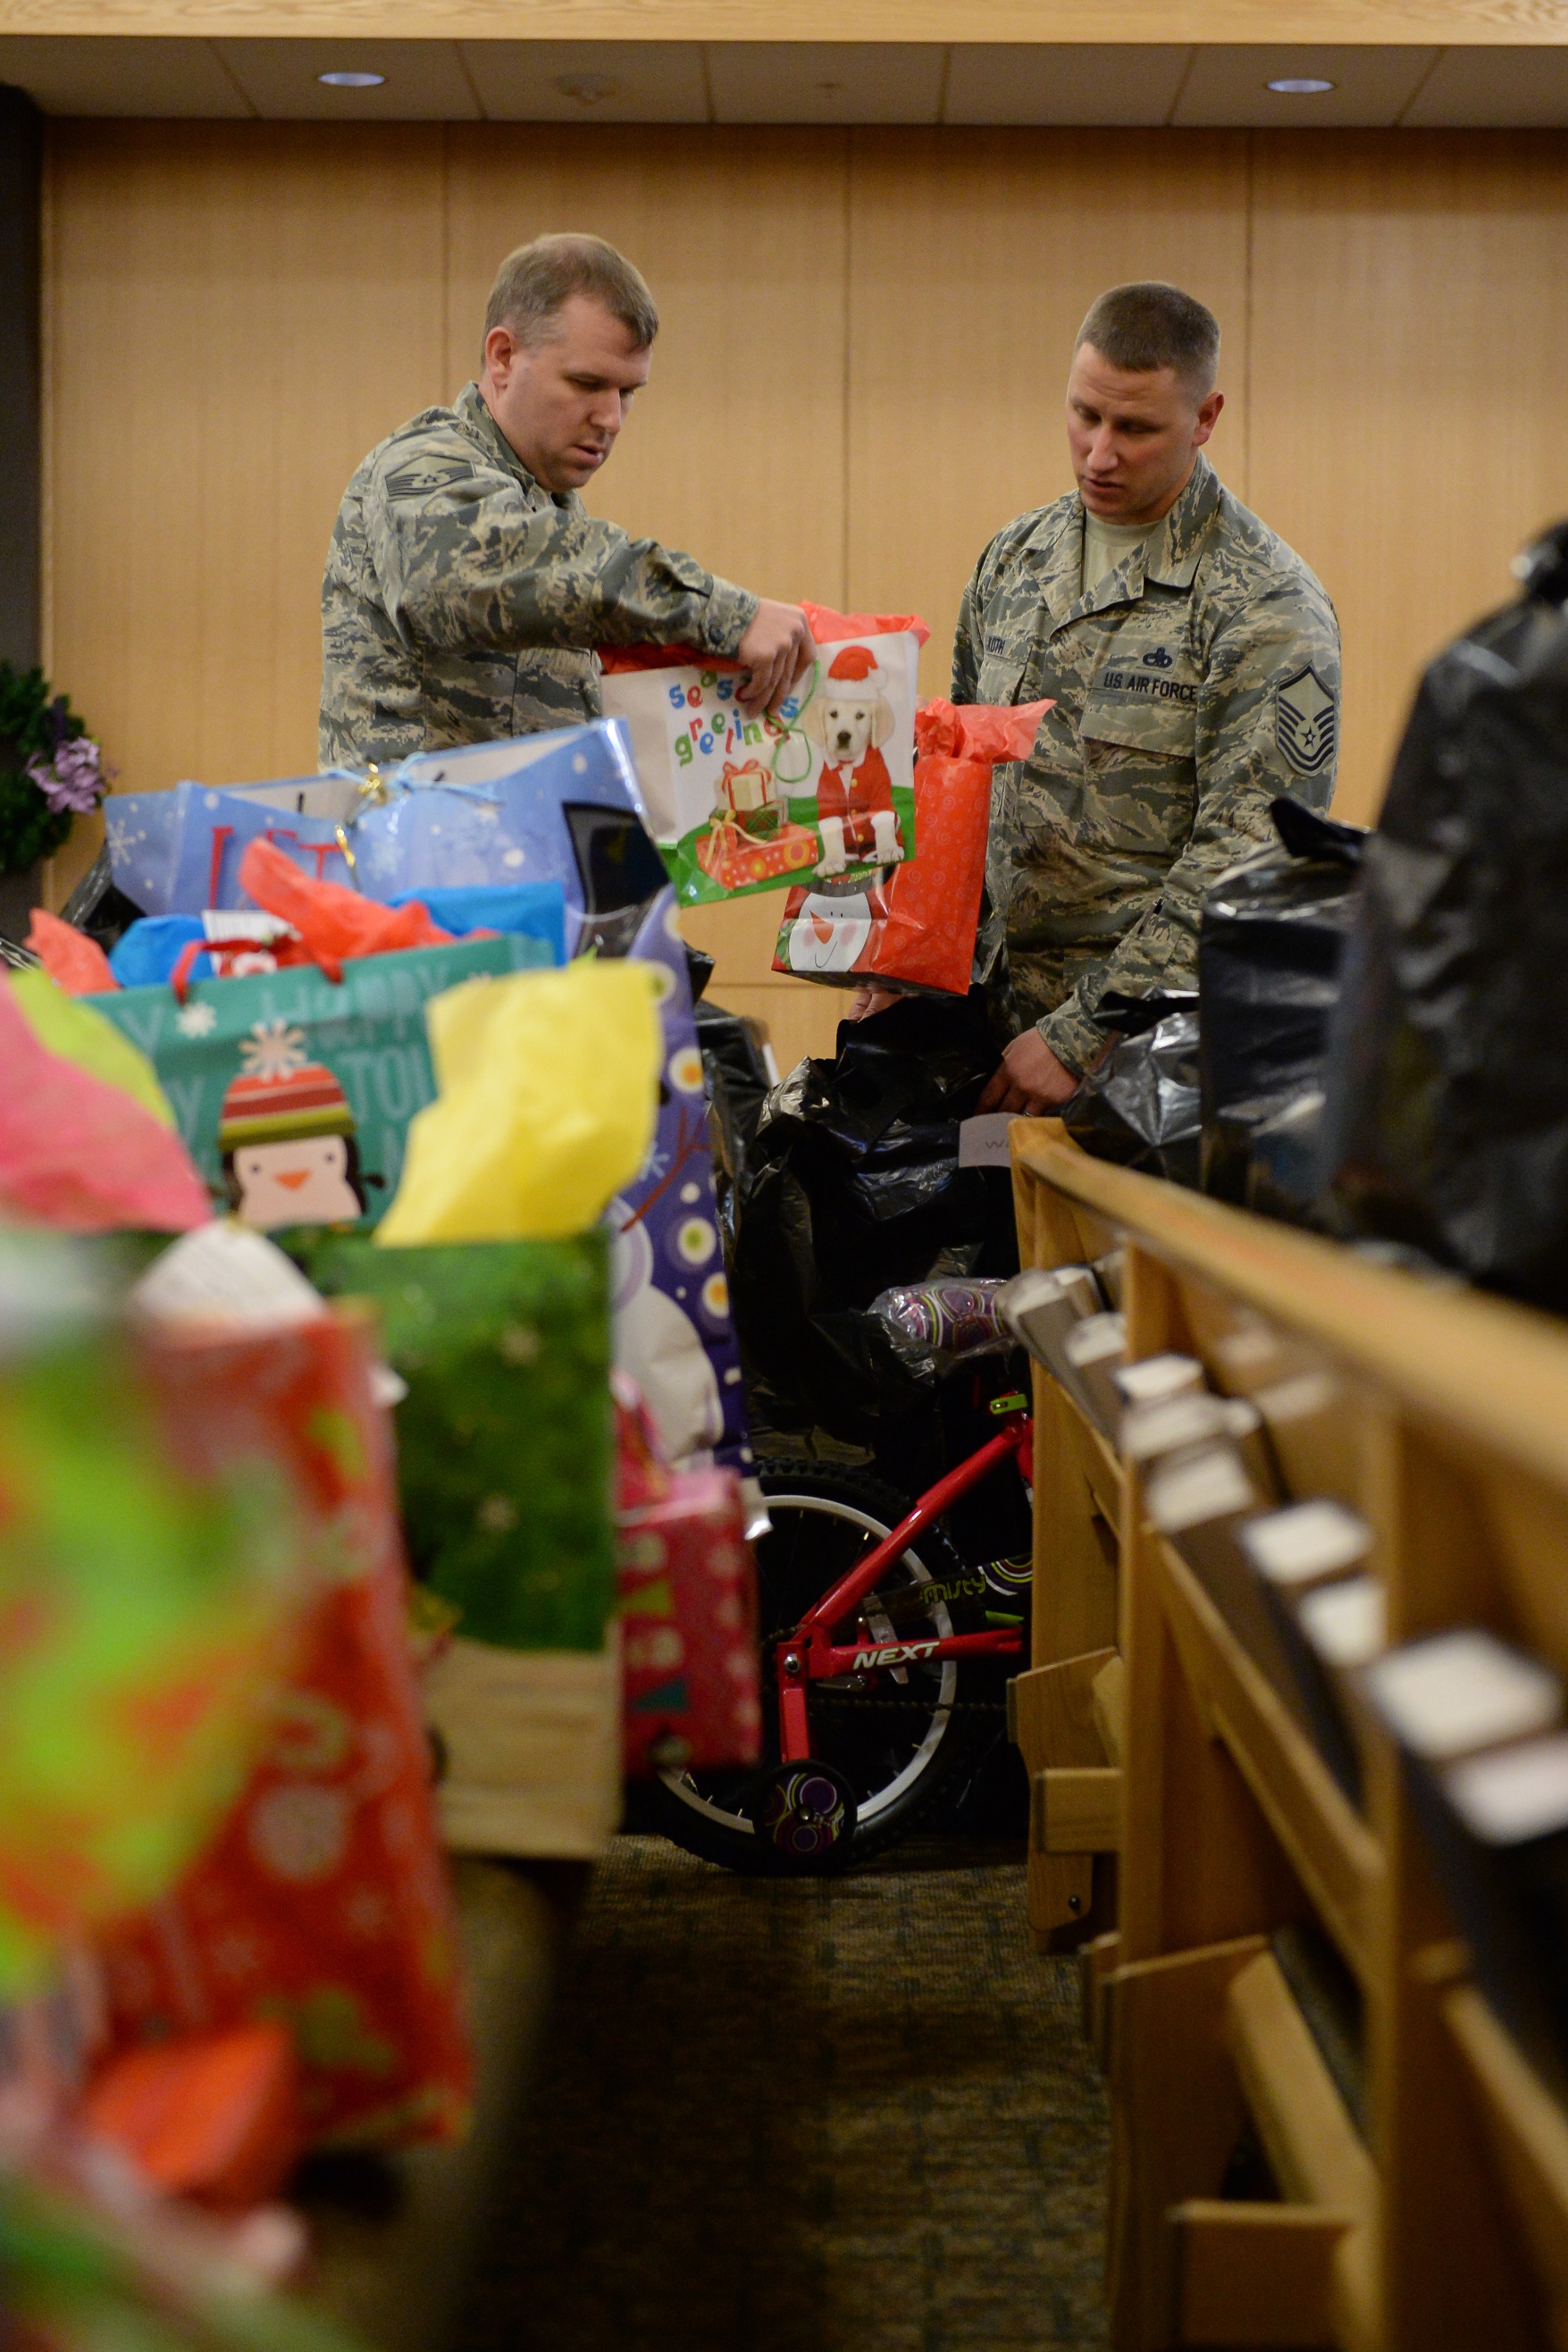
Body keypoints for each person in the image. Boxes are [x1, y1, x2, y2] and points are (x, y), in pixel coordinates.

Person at [950, 281, 1340, 1116]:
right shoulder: (1015, 559)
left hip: (1147, 1060)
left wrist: (1080, 1033)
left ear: (1204, 419)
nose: (1098, 453)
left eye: (1134, 428)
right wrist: (899, 967)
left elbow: (1247, 862)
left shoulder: (1263, 603)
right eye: (1084, 415)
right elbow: (958, 773)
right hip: (986, 1033)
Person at [320, 233, 814, 767]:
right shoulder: (422, 465)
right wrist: (724, 614)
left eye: (627, 393)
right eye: (586, 383)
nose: (611, 420)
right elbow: (488, 571)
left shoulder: (546, 506)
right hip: (418, 842)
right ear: (503, 356)